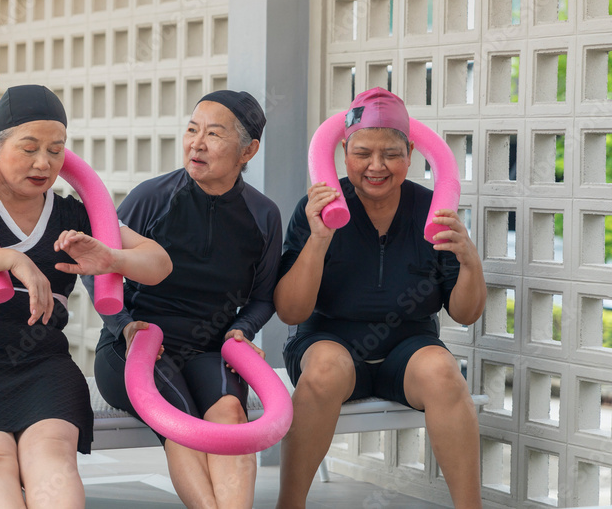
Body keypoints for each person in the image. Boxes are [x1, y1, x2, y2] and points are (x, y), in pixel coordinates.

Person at [0, 84, 172, 509]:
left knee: (52, 459)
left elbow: (159, 263)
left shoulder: (74, 214)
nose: (43, 162)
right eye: (29, 149)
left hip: (39, 361)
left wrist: (112, 257)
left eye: (55, 150)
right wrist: (9, 259)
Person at [274, 87, 487, 509]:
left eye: (391, 154)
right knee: (324, 370)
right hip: (328, 341)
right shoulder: (316, 208)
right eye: (362, 153)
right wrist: (318, 240)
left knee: (444, 373)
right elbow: (290, 310)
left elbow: (466, 313)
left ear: (410, 154)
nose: (376, 166)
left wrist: (470, 261)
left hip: (408, 348)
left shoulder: (433, 209)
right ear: (344, 153)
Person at [90, 90, 283, 509]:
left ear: (248, 151)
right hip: (136, 344)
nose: (197, 143)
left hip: (209, 349)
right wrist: (124, 326)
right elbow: (98, 266)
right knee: (182, 423)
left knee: (231, 415)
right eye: (192, 129)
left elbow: (263, 297)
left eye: (214, 134)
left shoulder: (263, 215)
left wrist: (242, 330)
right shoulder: (152, 197)